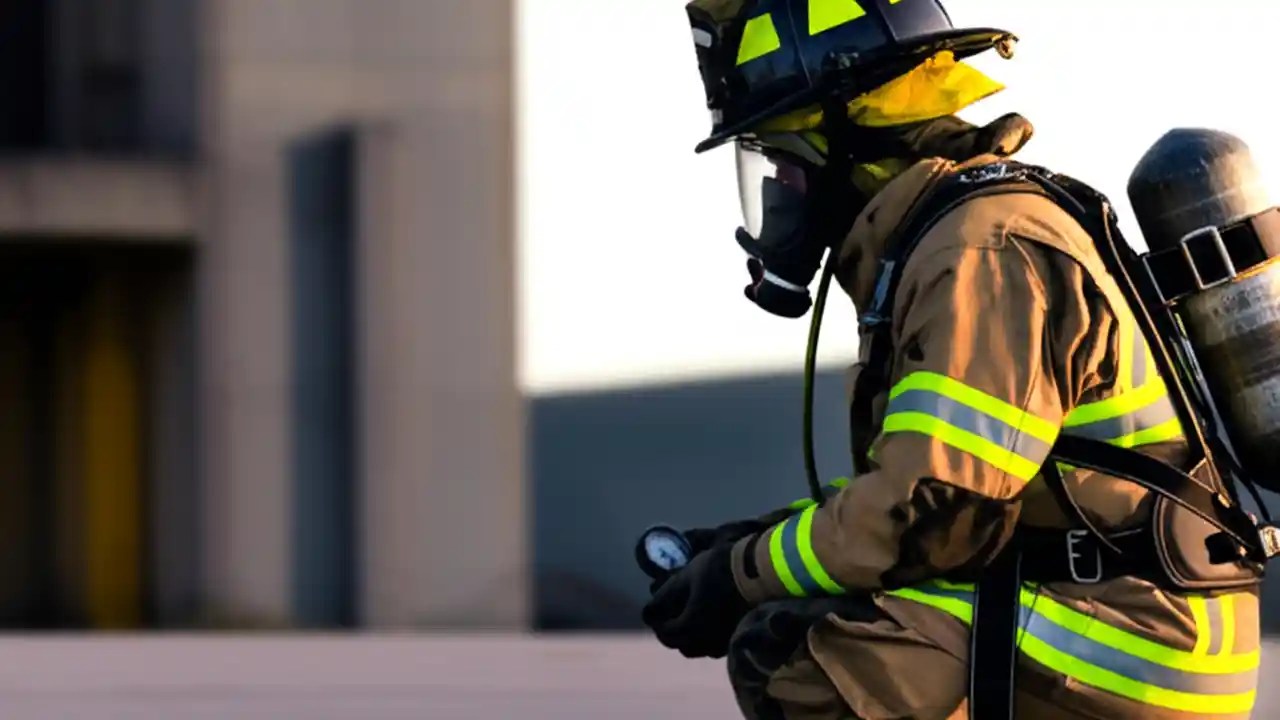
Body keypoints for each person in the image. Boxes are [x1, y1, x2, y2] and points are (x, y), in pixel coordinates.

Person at [640, 1, 1263, 718]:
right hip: (1107, 603)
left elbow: (932, 509)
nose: (779, 194)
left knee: (805, 663)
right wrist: (751, 541)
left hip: (1131, 642)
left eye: (782, 162)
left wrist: (740, 576)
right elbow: (928, 474)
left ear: (852, 139)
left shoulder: (978, 251)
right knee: (808, 612)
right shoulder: (949, 235)